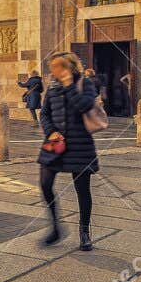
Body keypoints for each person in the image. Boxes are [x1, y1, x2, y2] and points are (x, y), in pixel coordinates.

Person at [37, 50, 100, 252]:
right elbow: (44, 113)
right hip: (55, 144)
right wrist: (51, 131)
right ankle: (56, 228)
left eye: (58, 66)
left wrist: (69, 85)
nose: (54, 70)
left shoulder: (85, 84)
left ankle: (84, 232)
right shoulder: (52, 88)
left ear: (70, 67)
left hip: (80, 144)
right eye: (52, 67)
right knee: (45, 184)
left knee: (82, 189)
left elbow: (84, 106)